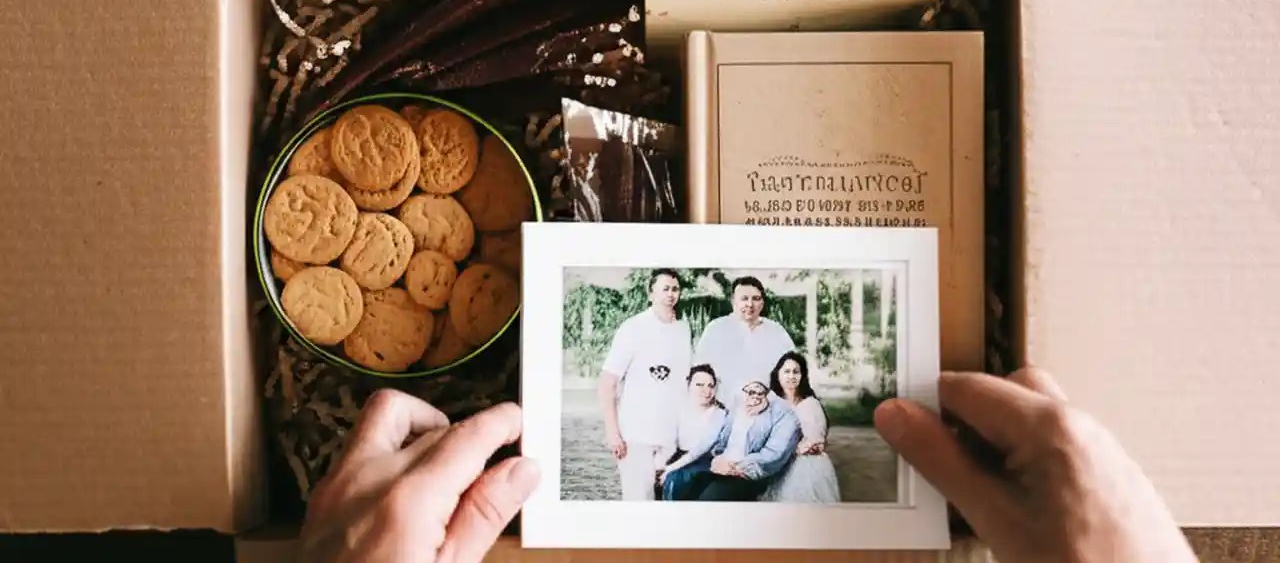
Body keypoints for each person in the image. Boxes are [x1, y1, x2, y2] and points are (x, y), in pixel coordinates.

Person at [298, 366, 1199, 563]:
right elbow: (720, 443)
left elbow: (765, 454)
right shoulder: (726, 406)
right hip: (714, 469)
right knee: (676, 478)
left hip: (770, 482)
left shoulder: (780, 415)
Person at [595, 268, 692, 501]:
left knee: (668, 506)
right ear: (651, 294)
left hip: (672, 438)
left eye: (675, 289)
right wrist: (613, 433)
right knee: (639, 504)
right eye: (665, 289)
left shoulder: (683, 329)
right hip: (636, 436)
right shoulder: (633, 328)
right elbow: (607, 383)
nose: (671, 294)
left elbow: (687, 381)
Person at [662, 378, 801, 501]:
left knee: (710, 498)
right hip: (720, 466)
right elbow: (721, 440)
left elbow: (774, 455)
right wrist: (718, 458)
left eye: (760, 392)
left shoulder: (785, 415)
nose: (754, 396)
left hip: (747, 474)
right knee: (681, 485)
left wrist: (735, 466)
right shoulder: (737, 405)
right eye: (750, 391)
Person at [694, 276, 797, 405]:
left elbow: (794, 369)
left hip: (767, 410)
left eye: (756, 299)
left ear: (762, 302)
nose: (750, 304)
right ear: (733, 301)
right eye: (744, 299)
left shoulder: (777, 332)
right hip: (724, 410)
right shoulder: (715, 329)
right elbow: (700, 373)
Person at [759, 352, 841, 503]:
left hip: (806, 461)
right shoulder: (769, 402)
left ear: (802, 375)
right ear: (778, 374)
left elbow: (816, 441)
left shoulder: (810, 404)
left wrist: (808, 447)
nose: (791, 376)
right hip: (776, 460)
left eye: (796, 372)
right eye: (787, 371)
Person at [657, 364, 729, 498]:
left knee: (675, 480)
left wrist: (670, 469)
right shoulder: (679, 408)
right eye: (700, 385)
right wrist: (660, 464)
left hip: (703, 460)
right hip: (678, 456)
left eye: (710, 386)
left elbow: (701, 449)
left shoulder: (719, 414)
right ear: (688, 384)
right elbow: (669, 440)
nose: (706, 390)